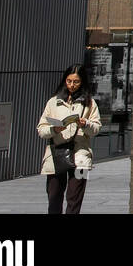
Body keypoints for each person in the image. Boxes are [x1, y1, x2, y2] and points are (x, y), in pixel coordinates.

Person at [37, 64, 102, 214]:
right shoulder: (53, 102)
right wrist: (54, 129)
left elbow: (96, 128)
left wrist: (85, 124)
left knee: (76, 197)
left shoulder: (90, 103)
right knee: (53, 196)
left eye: (76, 82)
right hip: (55, 156)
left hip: (82, 158)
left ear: (83, 82)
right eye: (69, 81)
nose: (72, 85)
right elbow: (41, 129)